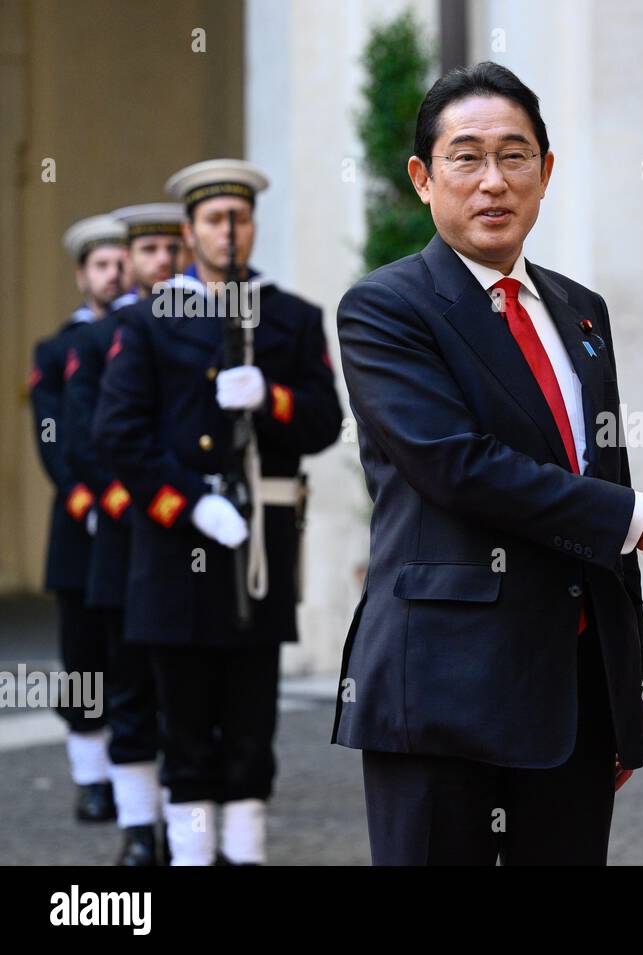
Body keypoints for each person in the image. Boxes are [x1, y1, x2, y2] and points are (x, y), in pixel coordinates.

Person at [331, 62, 643, 865]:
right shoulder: (386, 308)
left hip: (572, 695)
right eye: (466, 157)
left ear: (546, 172)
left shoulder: (581, 312)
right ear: (423, 179)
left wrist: (621, 693)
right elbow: (458, 468)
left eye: (516, 155)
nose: (493, 181)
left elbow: (598, 475)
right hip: (440, 690)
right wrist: (642, 520)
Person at [95, 161, 343, 864]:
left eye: (240, 217)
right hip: (179, 546)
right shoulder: (148, 321)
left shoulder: (290, 316)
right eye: (214, 220)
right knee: (184, 718)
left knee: (249, 716)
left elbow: (325, 419)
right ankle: (193, 852)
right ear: (189, 231)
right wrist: (190, 505)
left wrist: (272, 397)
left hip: (258, 543)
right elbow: (120, 432)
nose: (229, 231)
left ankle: (245, 852)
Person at [63, 203, 188, 864]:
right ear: (130, 259)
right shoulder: (93, 341)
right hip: (127, 538)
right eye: (150, 252)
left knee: (191, 695)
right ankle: (140, 827)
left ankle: (193, 828)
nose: (162, 263)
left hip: (192, 544)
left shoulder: (206, 334)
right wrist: (146, 503)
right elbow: (85, 441)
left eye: (173, 250)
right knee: (132, 687)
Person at [29, 214, 127, 823]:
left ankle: (138, 767)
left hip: (142, 520)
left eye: (121, 262)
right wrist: (88, 500)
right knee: (84, 655)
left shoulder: (145, 334)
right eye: (101, 264)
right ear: (81, 275)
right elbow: (54, 439)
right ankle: (91, 774)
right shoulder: (58, 349)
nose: (113, 273)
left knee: (136, 651)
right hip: (81, 524)